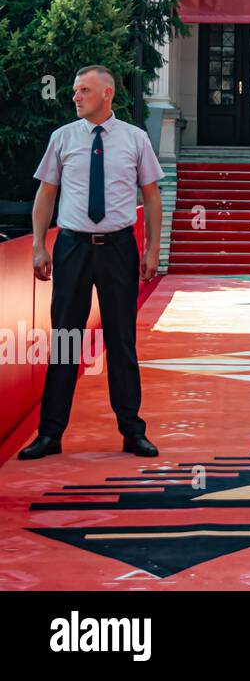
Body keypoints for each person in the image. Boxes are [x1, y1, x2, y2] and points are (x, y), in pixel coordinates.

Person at [19, 66, 164, 460]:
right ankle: (50, 434)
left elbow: (151, 197)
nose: (76, 97)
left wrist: (152, 250)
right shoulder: (62, 138)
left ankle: (132, 431)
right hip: (72, 247)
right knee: (66, 340)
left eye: (84, 90)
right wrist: (38, 245)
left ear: (107, 94)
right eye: (75, 90)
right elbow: (46, 195)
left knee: (121, 340)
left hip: (119, 248)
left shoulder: (135, 139)